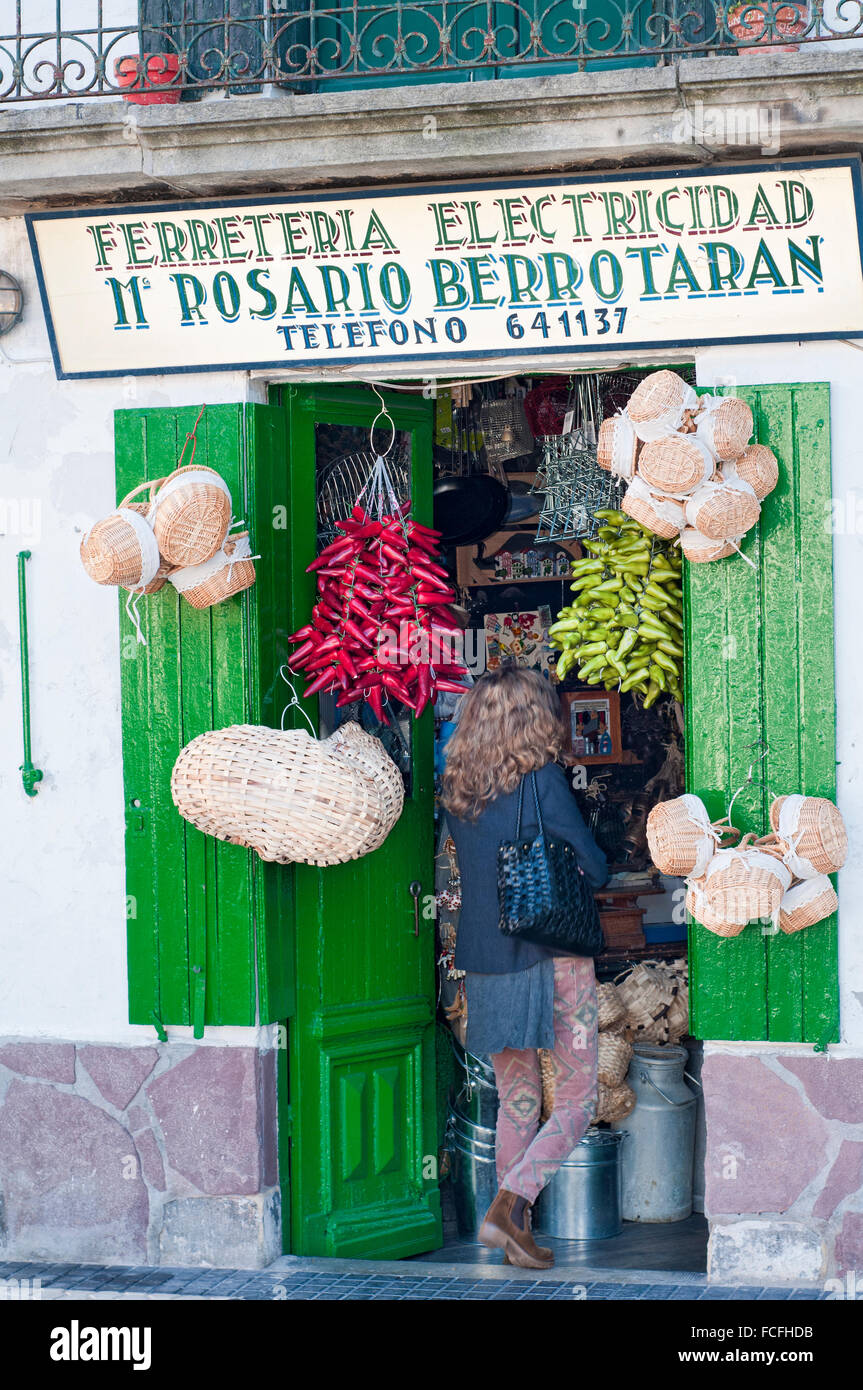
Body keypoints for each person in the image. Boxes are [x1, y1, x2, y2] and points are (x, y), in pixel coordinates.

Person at [442, 666, 608, 1268]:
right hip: (553, 958)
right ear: (535, 716)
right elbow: (594, 867)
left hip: (486, 964)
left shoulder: (458, 789)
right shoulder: (543, 782)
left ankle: (515, 1233)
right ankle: (508, 1205)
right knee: (577, 1100)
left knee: (516, 1099)